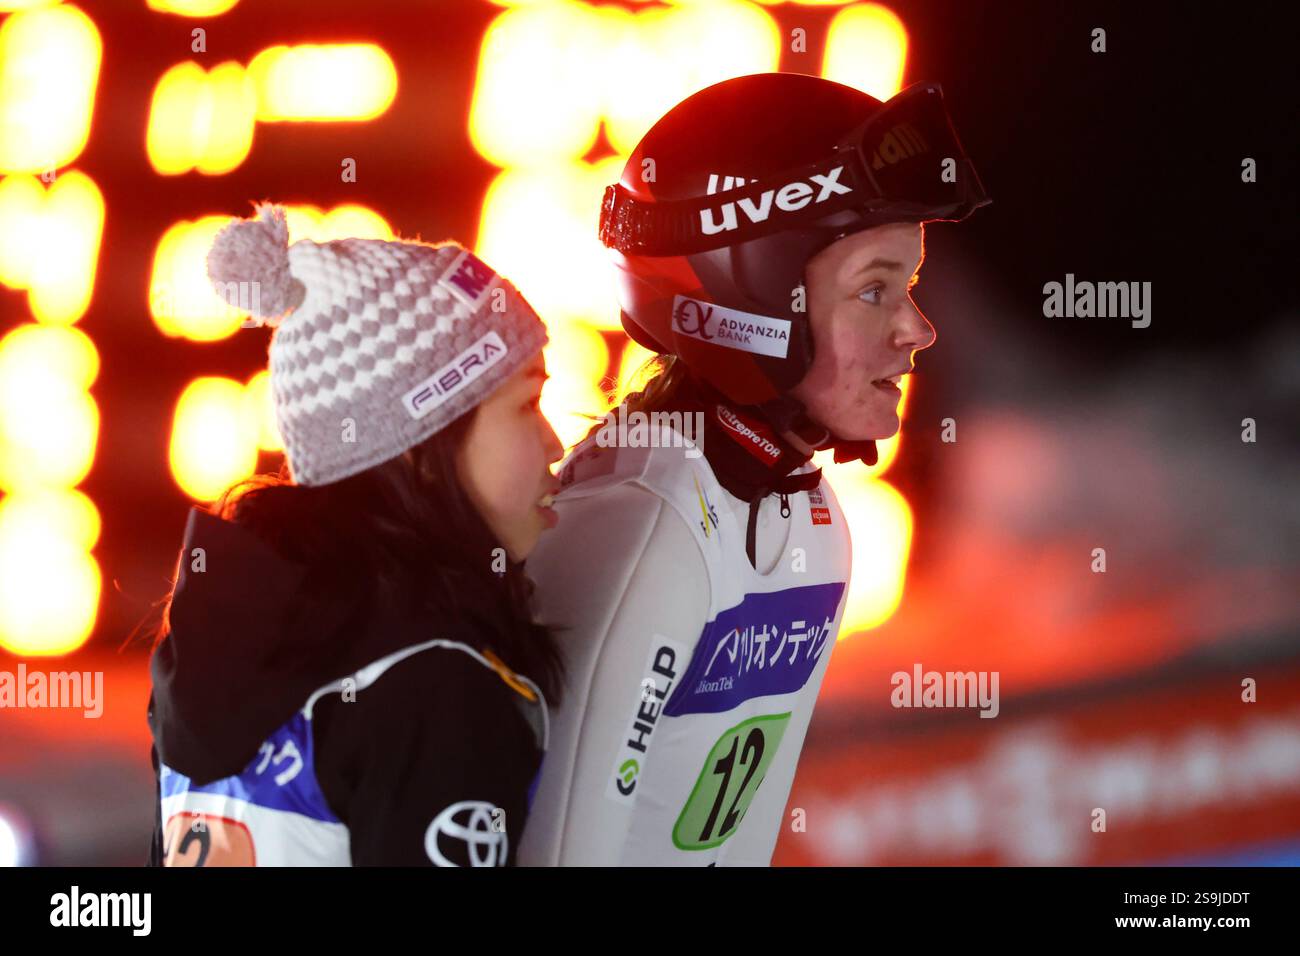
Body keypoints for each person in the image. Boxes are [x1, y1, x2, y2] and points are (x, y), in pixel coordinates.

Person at [518, 73, 991, 865]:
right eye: (873, 291)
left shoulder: (814, 522)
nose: (917, 329)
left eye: (906, 286)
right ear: (754, 302)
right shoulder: (642, 533)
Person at [145, 204, 565, 866]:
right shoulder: (430, 684)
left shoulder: (218, 649)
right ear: (419, 447)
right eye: (528, 403)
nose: (555, 443)